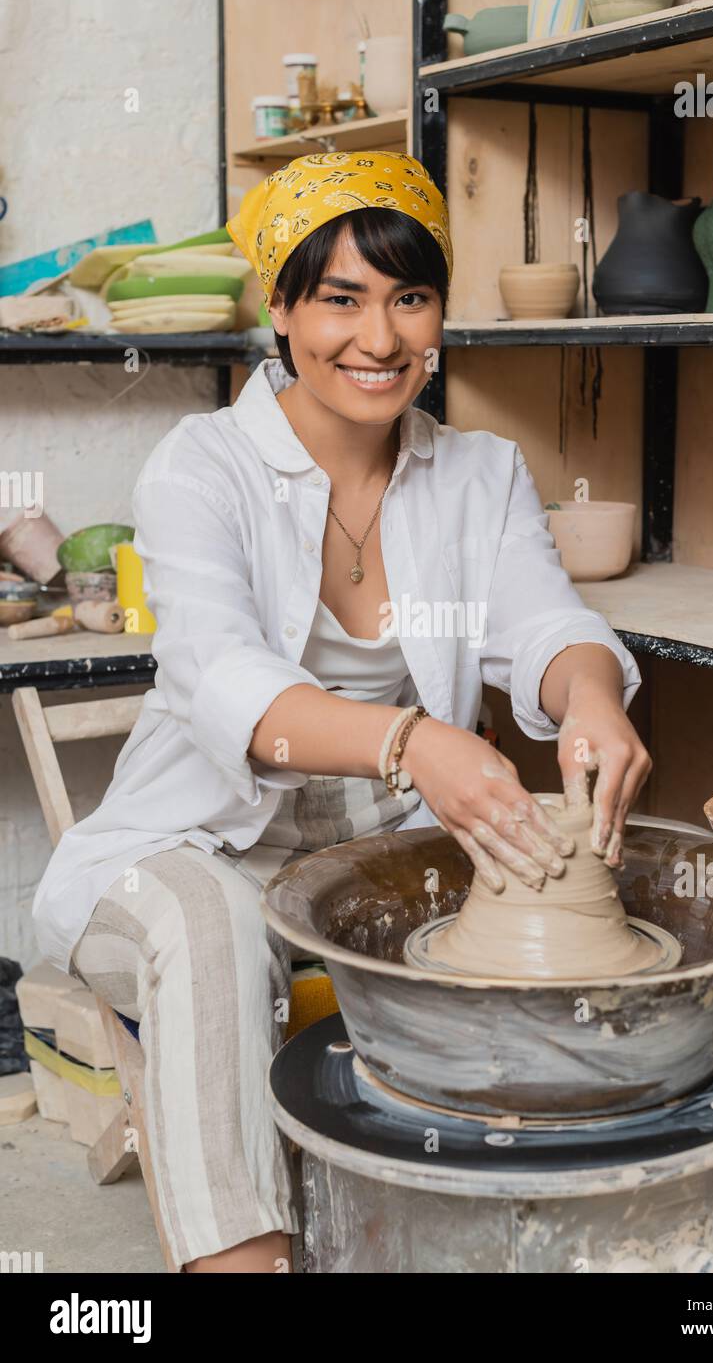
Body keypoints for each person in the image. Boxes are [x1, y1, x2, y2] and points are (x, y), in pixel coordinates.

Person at [31, 151, 648, 1272]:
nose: (378, 337)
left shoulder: (479, 472)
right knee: (205, 925)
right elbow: (223, 679)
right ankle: (244, 1263)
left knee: (574, 900)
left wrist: (593, 698)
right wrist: (413, 740)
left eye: (408, 298)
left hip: (376, 854)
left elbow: (545, 627)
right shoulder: (201, 467)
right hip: (186, 844)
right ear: (280, 309)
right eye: (340, 299)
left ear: (440, 314)